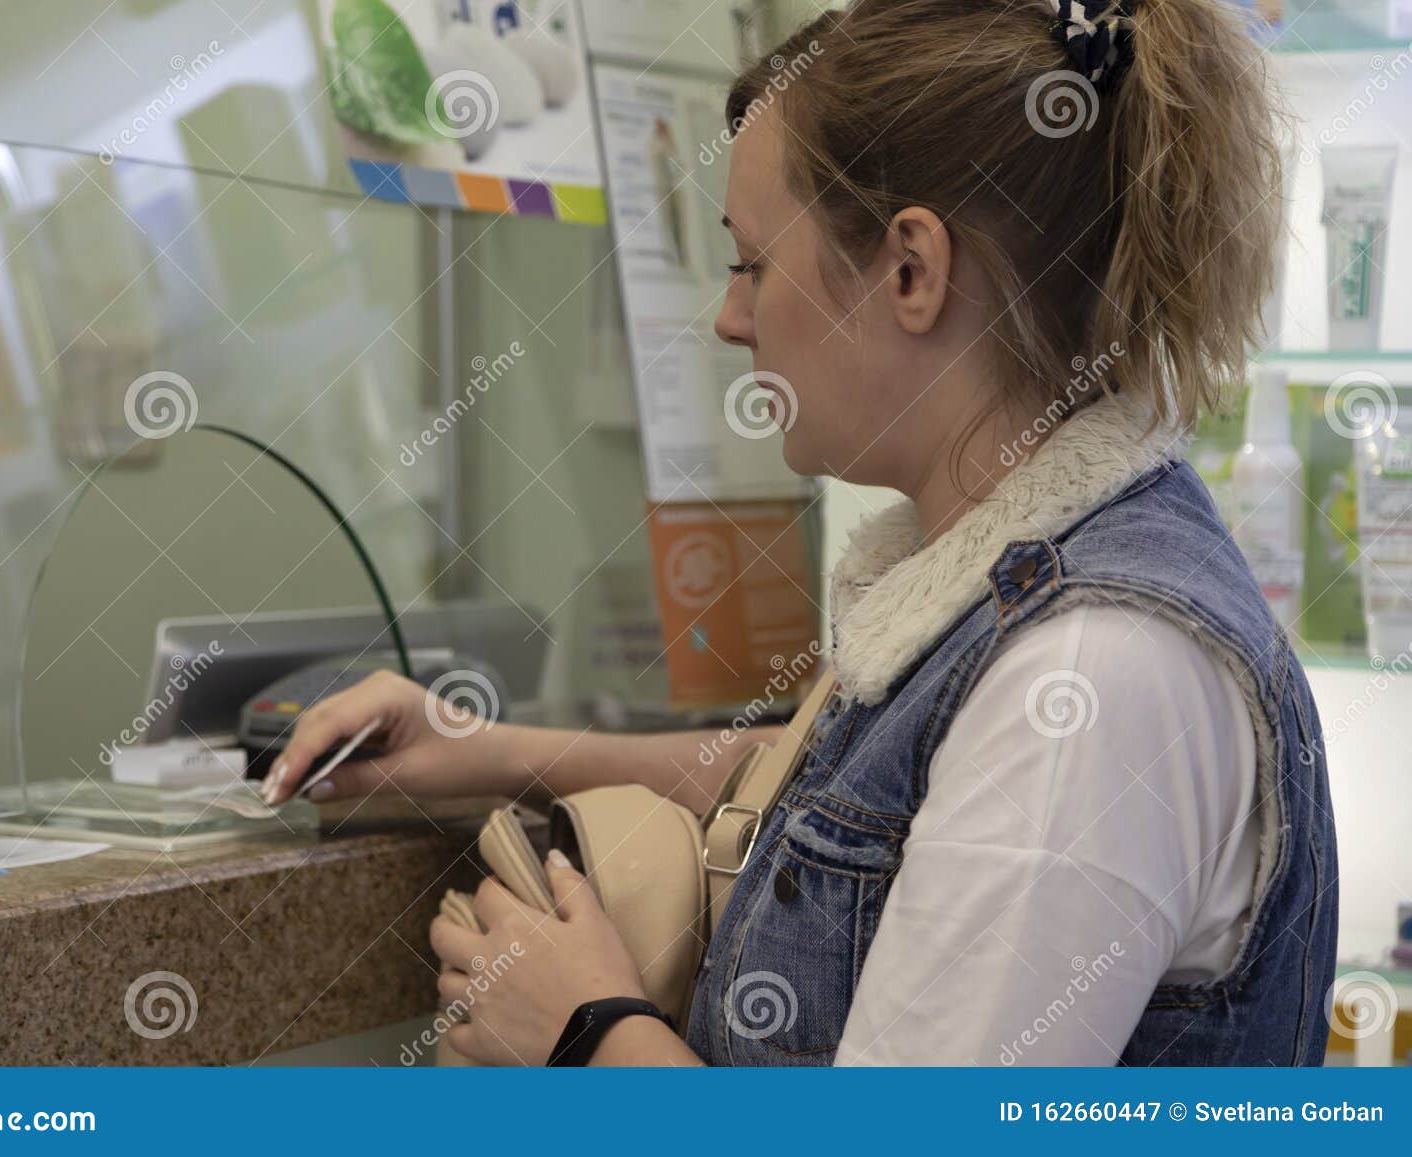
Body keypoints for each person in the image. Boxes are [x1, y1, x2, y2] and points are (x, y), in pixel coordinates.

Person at [263, 0, 1337, 1066]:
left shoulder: (1093, 674)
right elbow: (830, 785)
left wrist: (582, 1030)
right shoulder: (993, 586)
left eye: (750, 264)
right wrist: (483, 749)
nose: (729, 317)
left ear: (911, 270)